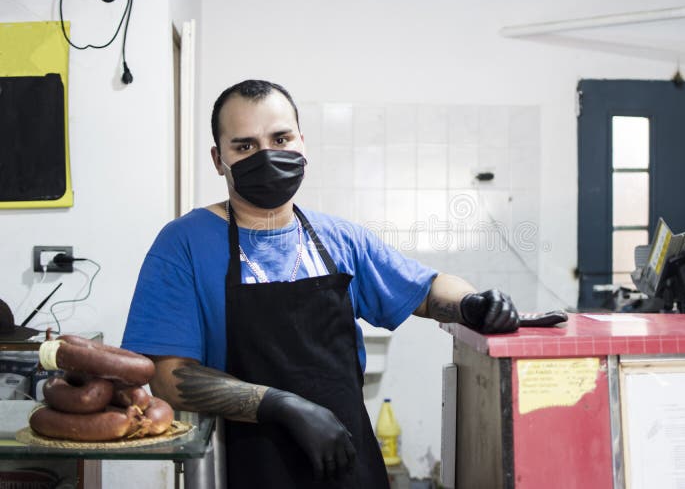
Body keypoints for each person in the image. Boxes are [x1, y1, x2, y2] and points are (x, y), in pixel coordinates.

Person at [121, 79, 519, 488]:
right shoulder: (183, 244)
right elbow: (169, 378)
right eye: (245, 146)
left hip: (348, 461)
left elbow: (428, 288)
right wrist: (281, 405)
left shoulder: (339, 238)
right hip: (245, 466)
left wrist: (472, 302)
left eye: (281, 138)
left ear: (302, 142)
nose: (268, 156)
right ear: (218, 158)